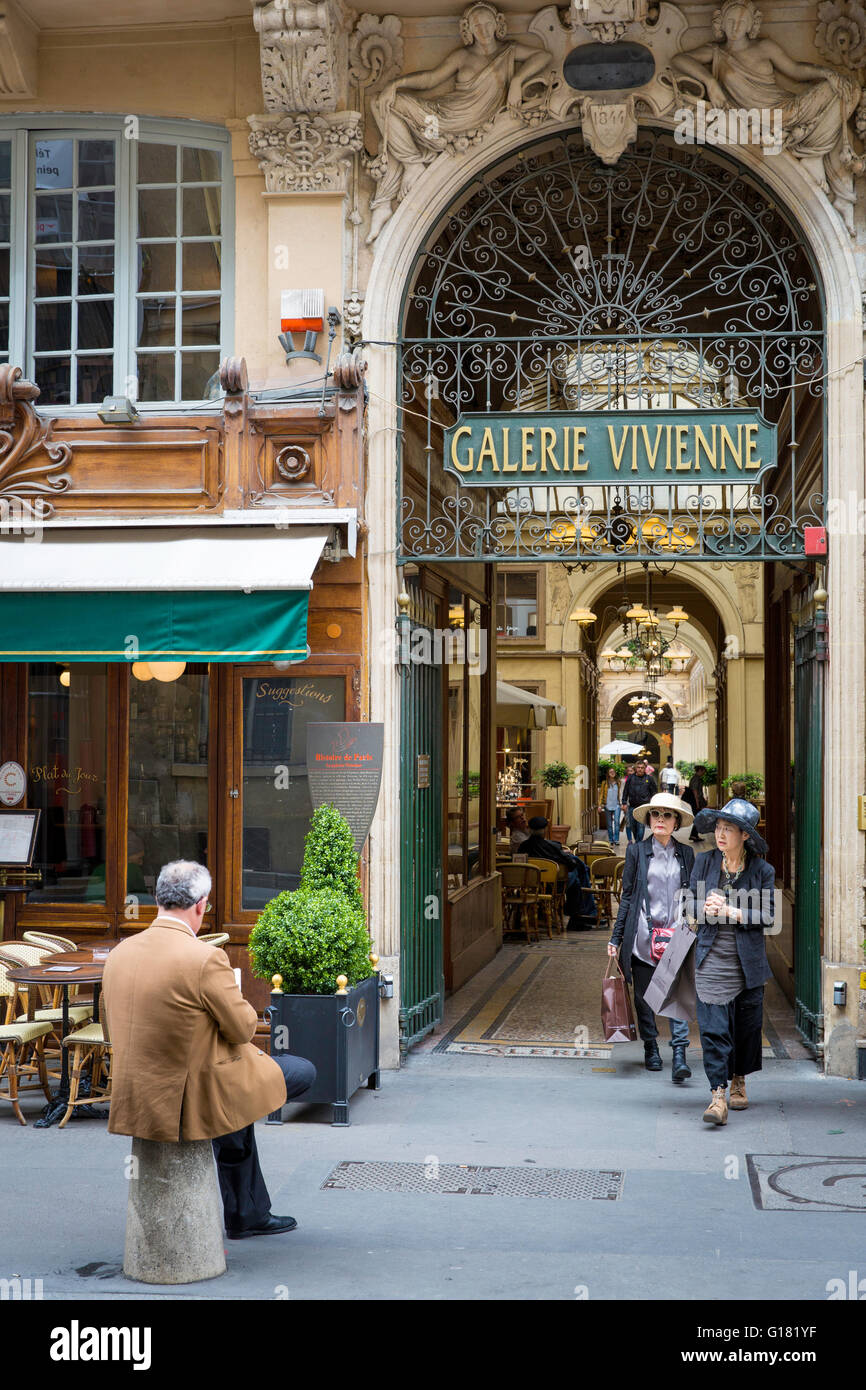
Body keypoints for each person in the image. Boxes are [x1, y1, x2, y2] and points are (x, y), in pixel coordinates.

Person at [103, 860, 316, 1239]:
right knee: (300, 1071)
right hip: (189, 1096)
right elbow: (244, 1027)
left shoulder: (120, 953)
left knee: (236, 1098)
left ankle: (248, 1211)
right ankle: (246, 1212)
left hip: (134, 1092)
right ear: (201, 905)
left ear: (157, 899)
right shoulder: (204, 957)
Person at [366, 1, 551, 242]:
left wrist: (517, 80)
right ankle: (409, 169)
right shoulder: (463, 55)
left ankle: (390, 193)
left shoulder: (510, 51)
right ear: (469, 30)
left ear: (497, 25)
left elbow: (543, 55)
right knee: (382, 103)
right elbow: (432, 79)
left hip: (459, 125)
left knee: (386, 111)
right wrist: (394, 85)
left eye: (487, 23)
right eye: (477, 25)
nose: (483, 30)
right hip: (438, 119)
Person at [688, 799, 775, 1126]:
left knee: (746, 1028)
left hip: (747, 963)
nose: (720, 834)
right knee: (713, 1029)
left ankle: (739, 1077)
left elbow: (769, 916)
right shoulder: (704, 862)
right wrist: (703, 910)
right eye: (719, 828)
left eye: (728, 829)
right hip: (711, 958)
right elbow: (689, 908)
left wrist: (733, 911)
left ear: (745, 835)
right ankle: (718, 1095)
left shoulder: (762, 871)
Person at [608, 793, 695, 1080]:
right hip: (643, 937)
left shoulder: (686, 853)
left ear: (676, 822)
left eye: (667, 815)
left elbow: (692, 897)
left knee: (675, 993)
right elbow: (628, 896)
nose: (660, 819)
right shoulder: (635, 852)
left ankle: (680, 1053)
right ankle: (651, 1047)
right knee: (645, 998)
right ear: (648, 820)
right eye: (655, 814)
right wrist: (616, 938)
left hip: (676, 935)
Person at [520, 816, 596, 926]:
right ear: (546, 830)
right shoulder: (552, 846)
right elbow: (571, 864)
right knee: (576, 876)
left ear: (530, 829)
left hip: (531, 887)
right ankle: (580, 915)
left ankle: (582, 914)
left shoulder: (523, 847)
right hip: (554, 886)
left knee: (576, 875)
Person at [621, 757, 658, 842]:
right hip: (632, 807)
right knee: (633, 827)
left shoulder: (649, 778)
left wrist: (653, 804)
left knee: (641, 827)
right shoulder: (630, 778)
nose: (640, 769)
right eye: (638, 767)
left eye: (642, 768)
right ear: (636, 768)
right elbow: (625, 791)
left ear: (645, 768)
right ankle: (638, 842)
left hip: (643, 807)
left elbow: (654, 792)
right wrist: (624, 802)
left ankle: (638, 844)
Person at [598, 766, 621, 849]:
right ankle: (611, 839)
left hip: (617, 805)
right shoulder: (604, 783)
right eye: (610, 772)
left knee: (617, 822)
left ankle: (616, 839)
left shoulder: (618, 782)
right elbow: (601, 795)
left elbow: (620, 793)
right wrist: (600, 805)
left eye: (613, 772)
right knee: (609, 824)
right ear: (608, 774)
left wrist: (622, 803)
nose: (612, 773)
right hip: (607, 805)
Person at [687, 764, 708, 843]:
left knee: (698, 818)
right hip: (695, 801)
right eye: (703, 771)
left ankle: (694, 835)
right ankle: (693, 835)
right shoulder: (696, 779)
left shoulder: (695, 778)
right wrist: (697, 803)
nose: (704, 773)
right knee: (698, 818)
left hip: (696, 801)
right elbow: (695, 791)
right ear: (700, 770)